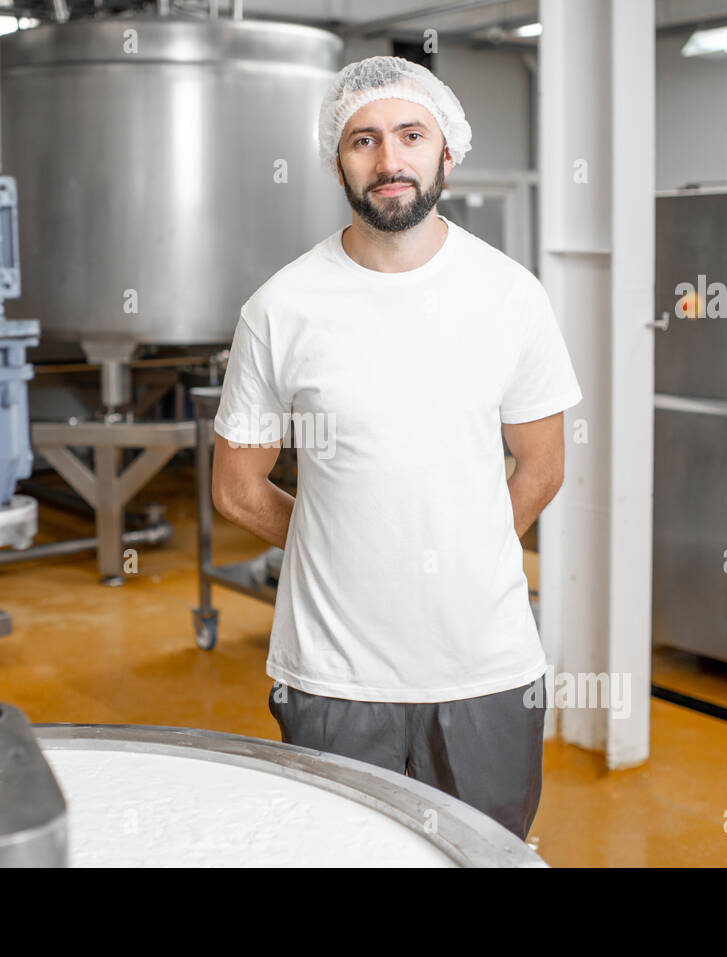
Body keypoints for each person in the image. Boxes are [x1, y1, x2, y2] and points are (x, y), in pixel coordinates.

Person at [210, 55, 582, 840]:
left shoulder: (510, 296)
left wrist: (454, 544)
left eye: (411, 135)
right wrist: (343, 546)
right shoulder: (280, 308)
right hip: (333, 676)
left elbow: (542, 467)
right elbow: (237, 487)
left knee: (484, 857)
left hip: (486, 668)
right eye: (363, 140)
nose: (389, 160)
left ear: (447, 152)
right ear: (336, 161)